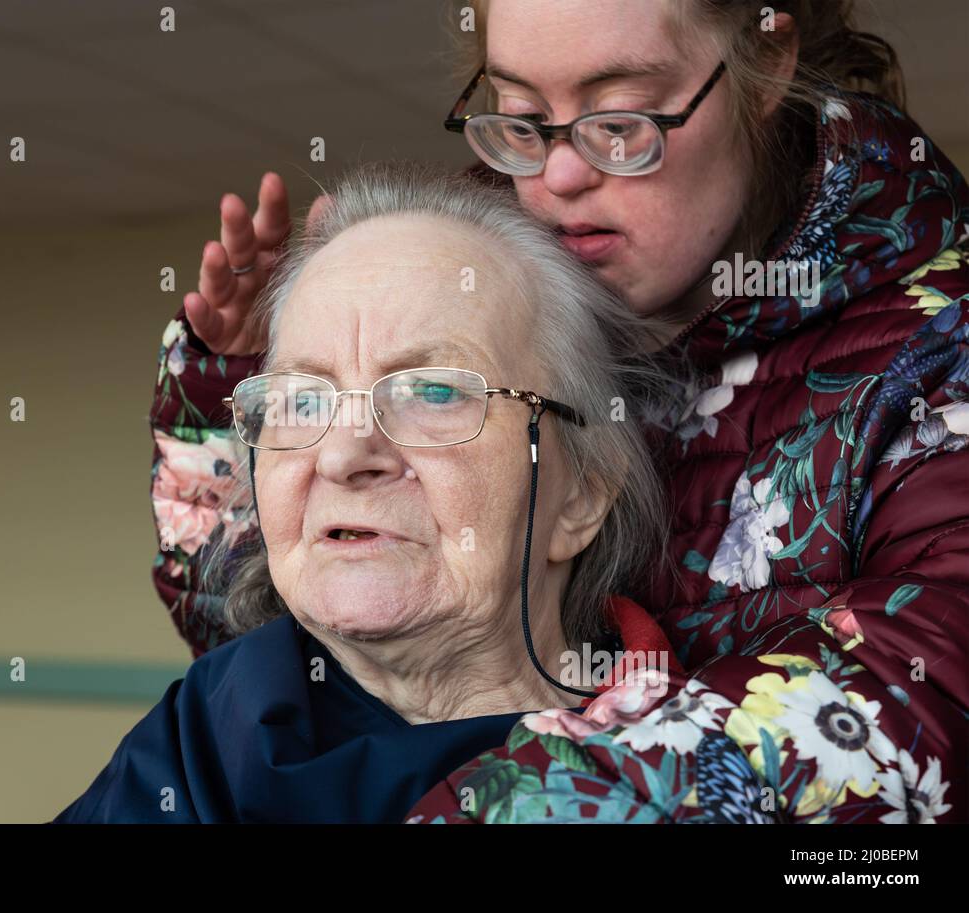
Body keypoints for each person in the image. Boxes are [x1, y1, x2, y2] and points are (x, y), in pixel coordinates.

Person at [142, 0, 968, 823]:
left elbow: (926, 693)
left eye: (620, 119)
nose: (559, 176)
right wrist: (242, 397)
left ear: (764, 66)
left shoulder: (942, 344)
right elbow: (311, 646)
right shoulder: (486, 281)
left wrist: (516, 806)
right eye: (524, 117)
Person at [54, 162, 677, 823]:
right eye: (301, 398)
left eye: (434, 391)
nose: (345, 454)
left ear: (581, 492)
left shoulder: (686, 772)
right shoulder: (201, 732)